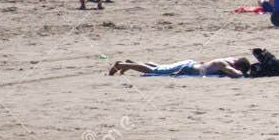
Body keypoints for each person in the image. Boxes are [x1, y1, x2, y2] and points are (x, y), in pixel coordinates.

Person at [108, 55, 254, 77]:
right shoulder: (224, 64)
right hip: (189, 68)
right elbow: (235, 74)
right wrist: (246, 75)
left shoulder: (228, 59)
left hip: (191, 64)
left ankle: (131, 62)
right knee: (157, 71)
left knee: (161, 67)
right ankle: (123, 64)